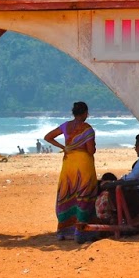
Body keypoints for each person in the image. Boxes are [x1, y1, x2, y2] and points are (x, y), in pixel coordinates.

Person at [44, 101, 97, 239]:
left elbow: (48, 137)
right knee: (84, 195)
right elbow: (90, 151)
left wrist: (63, 147)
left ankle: (63, 231)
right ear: (85, 113)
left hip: (69, 164)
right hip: (83, 164)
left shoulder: (66, 126)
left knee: (67, 194)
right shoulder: (88, 129)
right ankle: (80, 231)